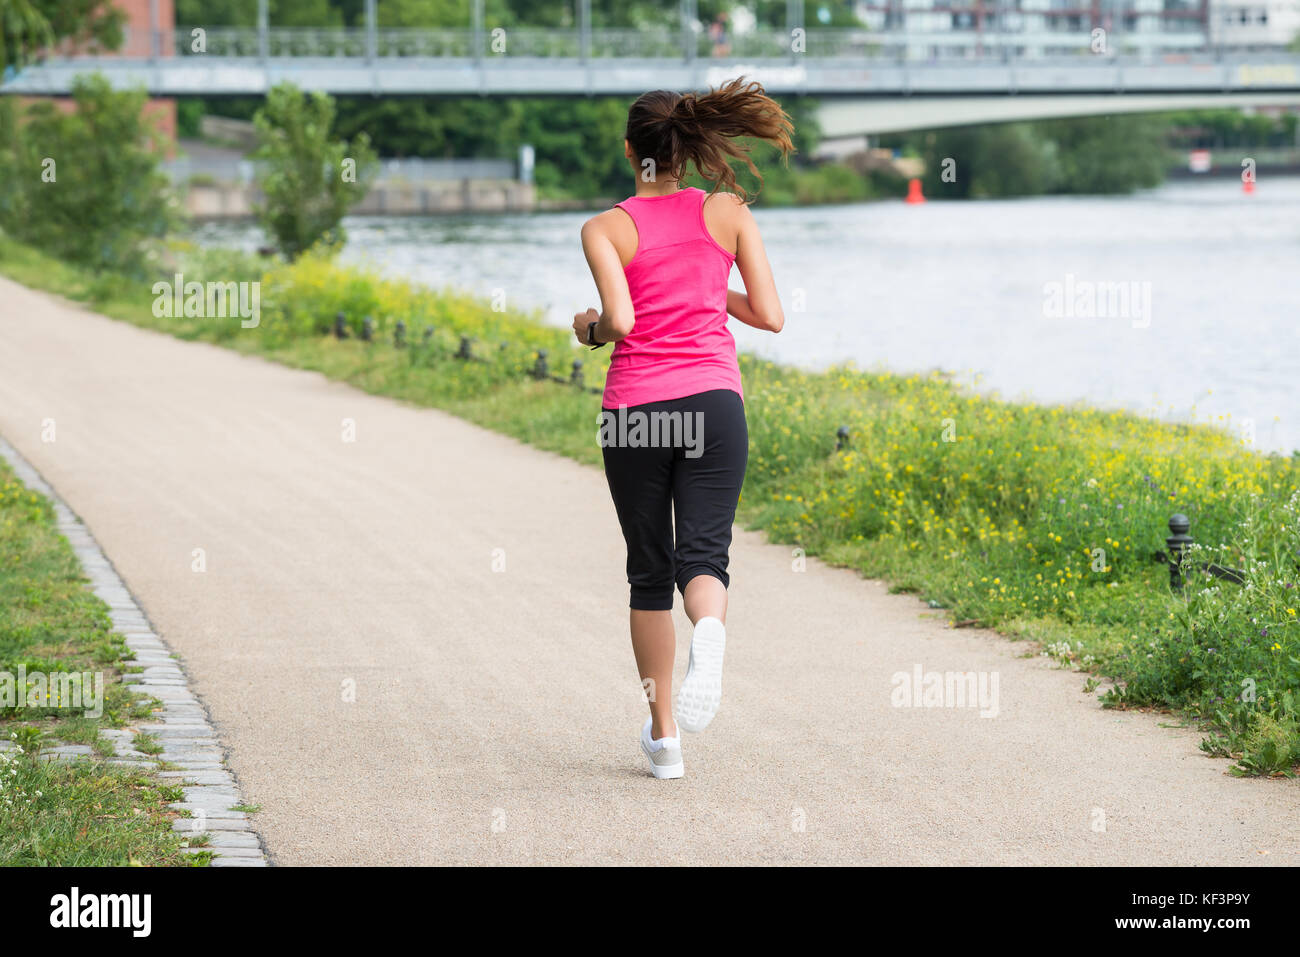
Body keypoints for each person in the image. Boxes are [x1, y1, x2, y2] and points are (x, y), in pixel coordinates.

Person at [572, 78, 793, 779]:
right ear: (688, 148)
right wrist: (704, 286)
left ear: (631, 149)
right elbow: (769, 315)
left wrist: (589, 328)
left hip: (637, 412)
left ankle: (665, 737)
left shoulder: (606, 227)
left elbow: (623, 321)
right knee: (705, 556)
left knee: (649, 573)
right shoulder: (727, 211)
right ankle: (713, 630)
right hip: (714, 407)